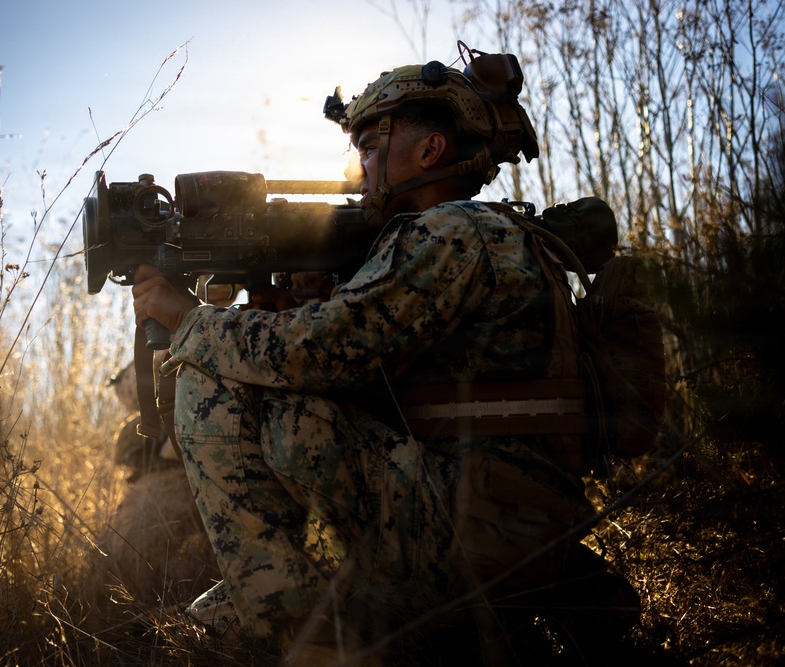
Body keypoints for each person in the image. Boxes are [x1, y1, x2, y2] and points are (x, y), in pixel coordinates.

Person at [131, 45, 597, 665]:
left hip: (474, 530)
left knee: (212, 389)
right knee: (213, 611)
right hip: (496, 516)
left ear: (429, 151)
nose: (361, 169)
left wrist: (185, 319)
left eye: (371, 147)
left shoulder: (450, 233)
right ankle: (308, 609)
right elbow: (365, 361)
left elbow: (315, 354)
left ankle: (295, 634)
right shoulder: (482, 232)